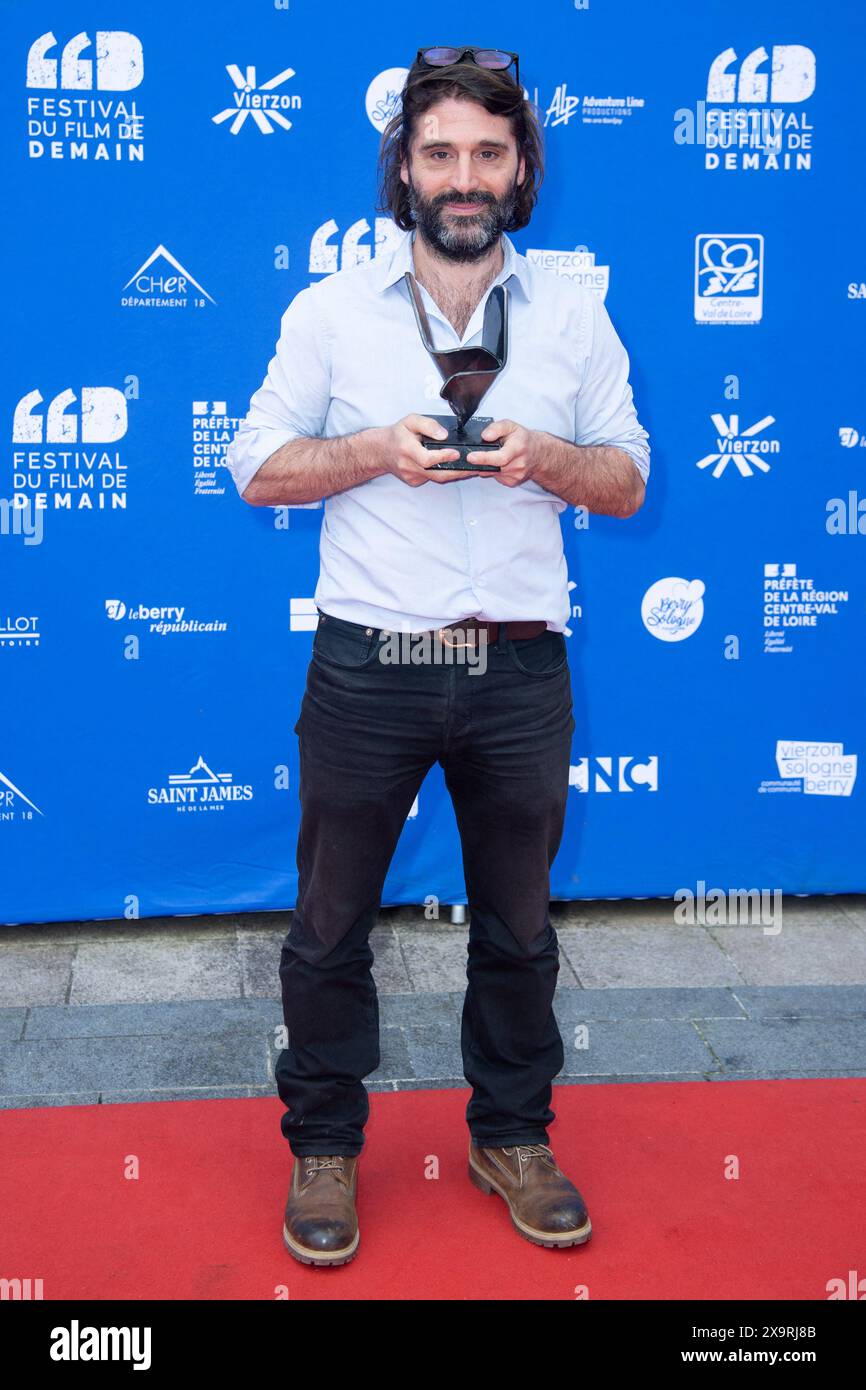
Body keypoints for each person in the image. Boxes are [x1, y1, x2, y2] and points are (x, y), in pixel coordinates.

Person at [226, 44, 650, 1267]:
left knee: (517, 927)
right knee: (328, 925)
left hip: (520, 669)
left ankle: (511, 1134)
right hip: (370, 666)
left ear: (521, 173)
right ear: (402, 172)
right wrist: (371, 450)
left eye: (487, 154)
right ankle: (323, 1148)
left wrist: (542, 459)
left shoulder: (572, 312)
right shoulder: (328, 313)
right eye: (439, 154)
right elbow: (254, 465)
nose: (462, 178)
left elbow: (625, 479)